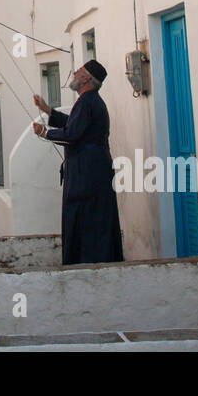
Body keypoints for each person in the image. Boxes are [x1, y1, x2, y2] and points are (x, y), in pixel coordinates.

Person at [32, 59, 124, 266]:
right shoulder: (89, 101)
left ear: (87, 79)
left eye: (79, 71)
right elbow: (75, 124)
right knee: (95, 217)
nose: (74, 73)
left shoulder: (87, 102)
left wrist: (46, 133)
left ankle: (87, 263)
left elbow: (73, 134)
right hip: (93, 169)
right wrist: (48, 110)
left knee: (86, 218)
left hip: (87, 174)